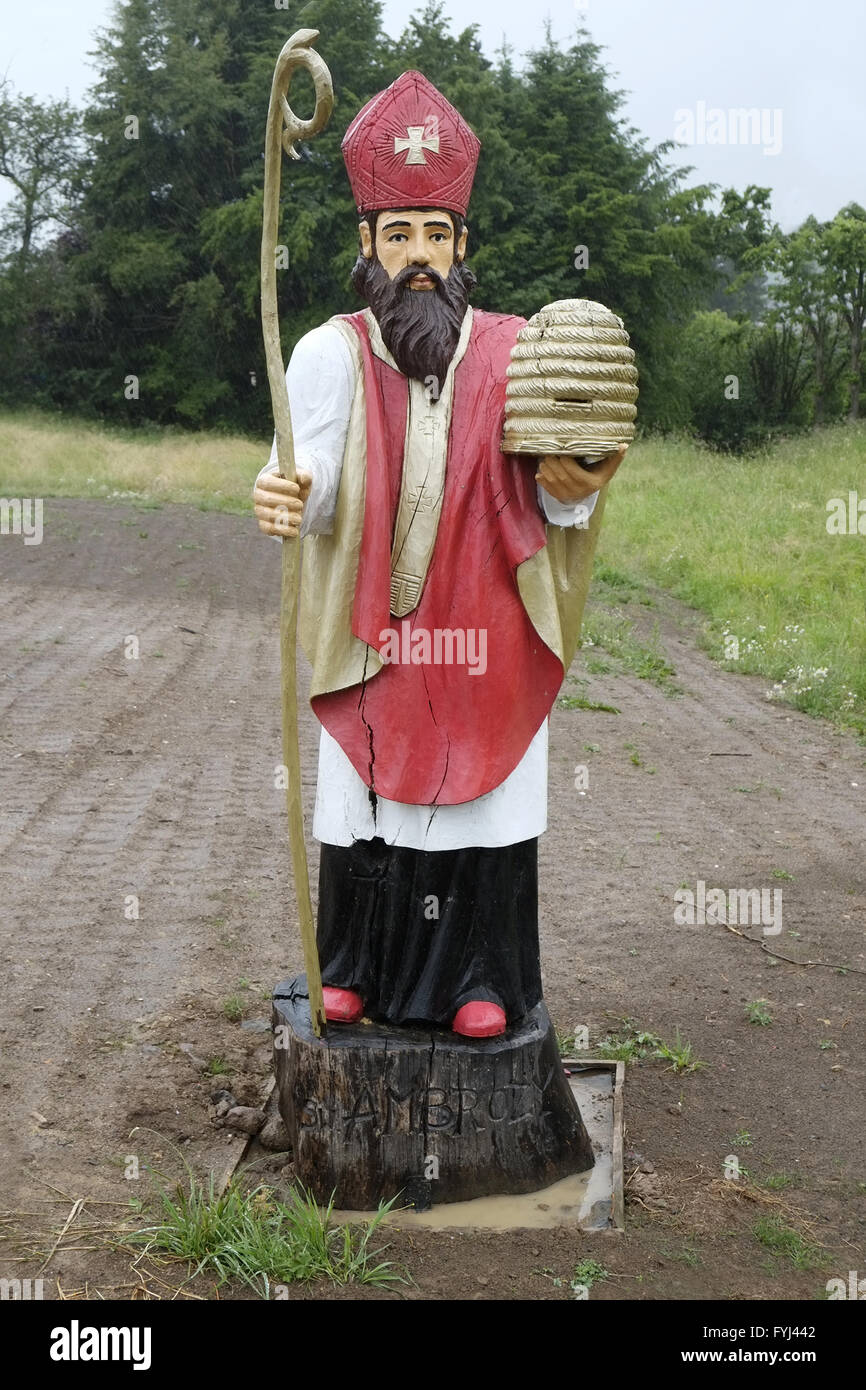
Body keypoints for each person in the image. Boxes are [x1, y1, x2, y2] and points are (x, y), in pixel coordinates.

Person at [253, 71, 626, 1038]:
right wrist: (287, 490)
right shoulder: (329, 353)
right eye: (397, 234)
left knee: (482, 806)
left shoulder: (517, 349)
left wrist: (575, 482)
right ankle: (353, 968)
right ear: (366, 245)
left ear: (463, 245)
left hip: (486, 624)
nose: (417, 255)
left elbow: (554, 482)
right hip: (376, 623)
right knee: (369, 795)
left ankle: (481, 980)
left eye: (435, 233)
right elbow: (315, 469)